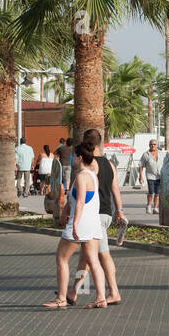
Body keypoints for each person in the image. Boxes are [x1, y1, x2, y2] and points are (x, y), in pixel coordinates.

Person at [43, 140, 108, 309]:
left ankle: (61, 298)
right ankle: (101, 298)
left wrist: (75, 225)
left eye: (73, 156)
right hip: (93, 224)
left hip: (81, 224)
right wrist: (66, 213)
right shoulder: (93, 175)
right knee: (94, 261)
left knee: (61, 259)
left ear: (79, 158)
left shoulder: (81, 177)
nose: (71, 159)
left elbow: (80, 203)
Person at [65, 129, 125, 304]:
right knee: (86, 257)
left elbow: (79, 191)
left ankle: (113, 292)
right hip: (106, 213)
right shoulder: (110, 164)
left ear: (86, 143)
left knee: (102, 255)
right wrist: (119, 211)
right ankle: (73, 292)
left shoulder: (90, 165)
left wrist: (67, 210)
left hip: (94, 215)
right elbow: (115, 190)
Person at [139, 140, 163, 214]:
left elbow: (165, 163)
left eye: (154, 144)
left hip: (160, 176)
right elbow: (140, 165)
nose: (153, 146)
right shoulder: (145, 154)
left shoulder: (161, 153)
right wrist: (141, 176)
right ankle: (149, 206)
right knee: (151, 192)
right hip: (150, 176)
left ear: (157, 145)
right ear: (149, 145)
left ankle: (155, 208)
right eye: (151, 144)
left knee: (157, 193)